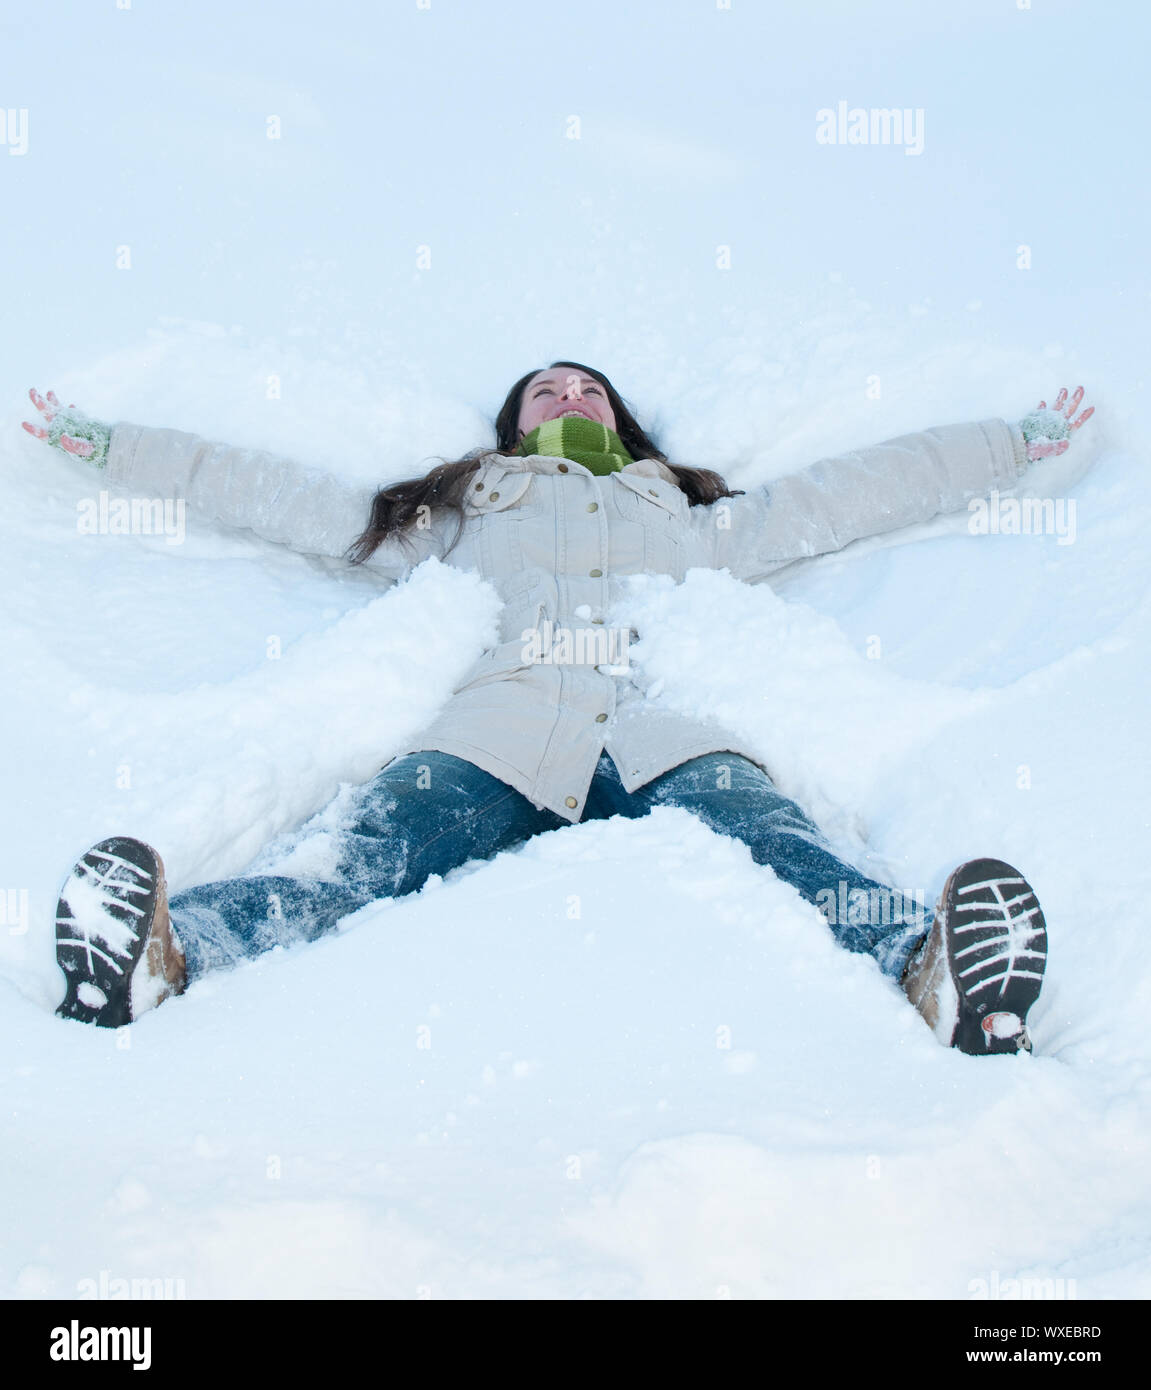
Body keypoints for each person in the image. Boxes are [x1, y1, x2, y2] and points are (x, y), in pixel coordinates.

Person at [24, 366, 1094, 1054]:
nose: (568, 398)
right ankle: (168, 955)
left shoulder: (682, 513)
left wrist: (1011, 445)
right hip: (495, 731)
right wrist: (115, 449)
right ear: (511, 425)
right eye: (544, 391)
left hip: (657, 732)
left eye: (587, 389)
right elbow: (281, 494)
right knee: (351, 863)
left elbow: (857, 488)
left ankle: (934, 971)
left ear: (621, 421)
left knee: (788, 848)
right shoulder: (461, 508)